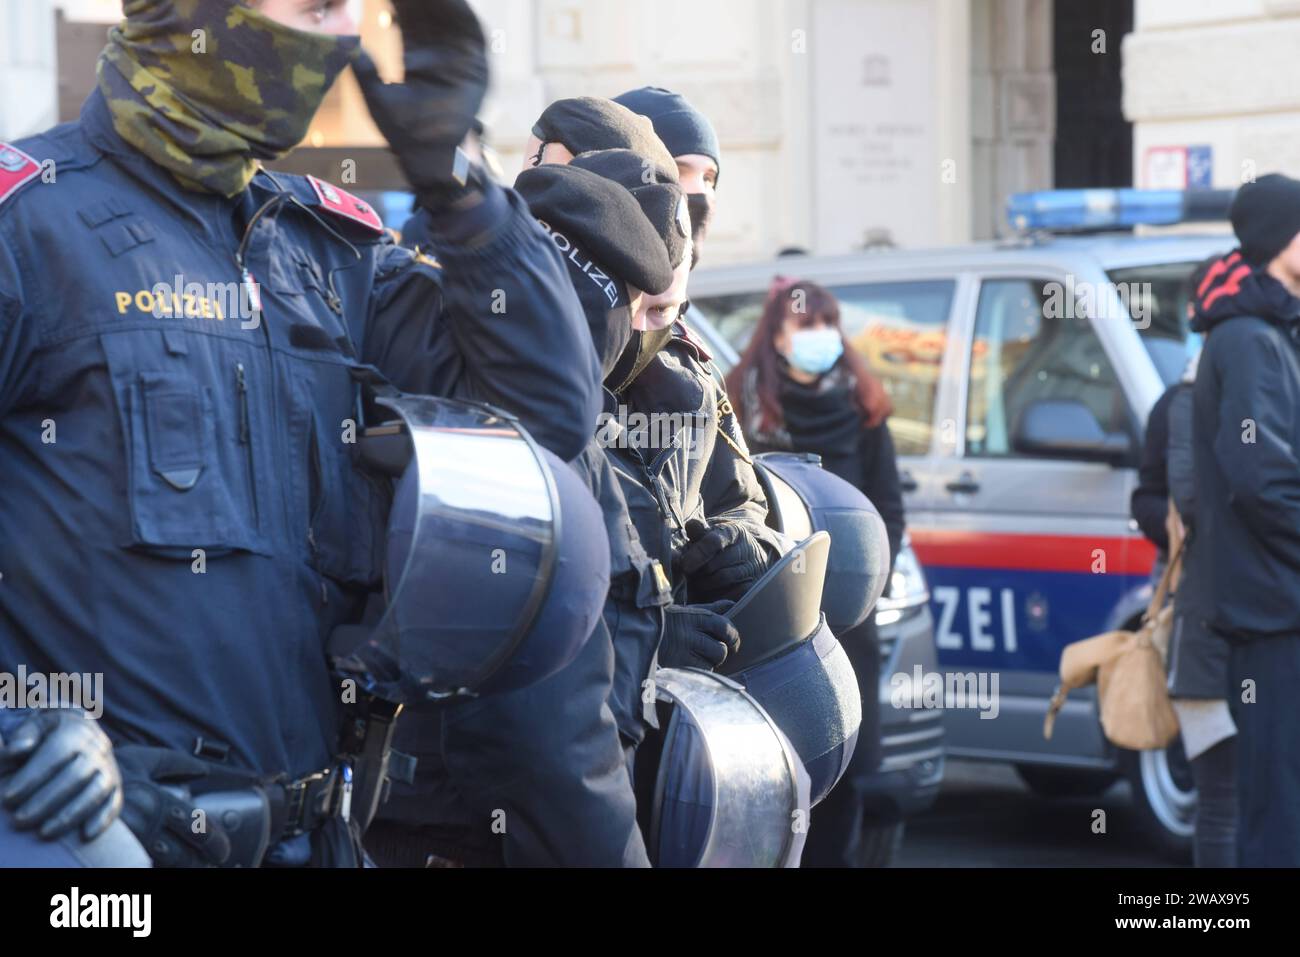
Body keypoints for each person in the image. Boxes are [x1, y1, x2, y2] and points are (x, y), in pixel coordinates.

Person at [0, 0, 598, 866]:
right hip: (110, 851)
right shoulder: (28, 227)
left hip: (320, 837)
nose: (343, 32)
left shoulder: (326, 251)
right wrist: (18, 725)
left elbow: (543, 416)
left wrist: (459, 185)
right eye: (316, 4)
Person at [726, 277, 904, 867]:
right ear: (776, 336)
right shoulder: (739, 406)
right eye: (805, 325)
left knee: (846, 761)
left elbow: (887, 508)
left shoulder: (863, 407)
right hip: (770, 622)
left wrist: (869, 577)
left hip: (851, 617)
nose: (819, 337)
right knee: (778, 763)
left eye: (827, 325)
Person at [1191, 173, 1300, 867]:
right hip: (1274, 617)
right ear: (1281, 241)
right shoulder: (1250, 340)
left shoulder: (1272, 332)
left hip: (1280, 609)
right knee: (1281, 817)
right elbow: (1263, 481)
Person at [1165, 256, 1238, 868]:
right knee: (1224, 802)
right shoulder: (1191, 395)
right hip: (1209, 639)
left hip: (1224, 634)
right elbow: (1182, 498)